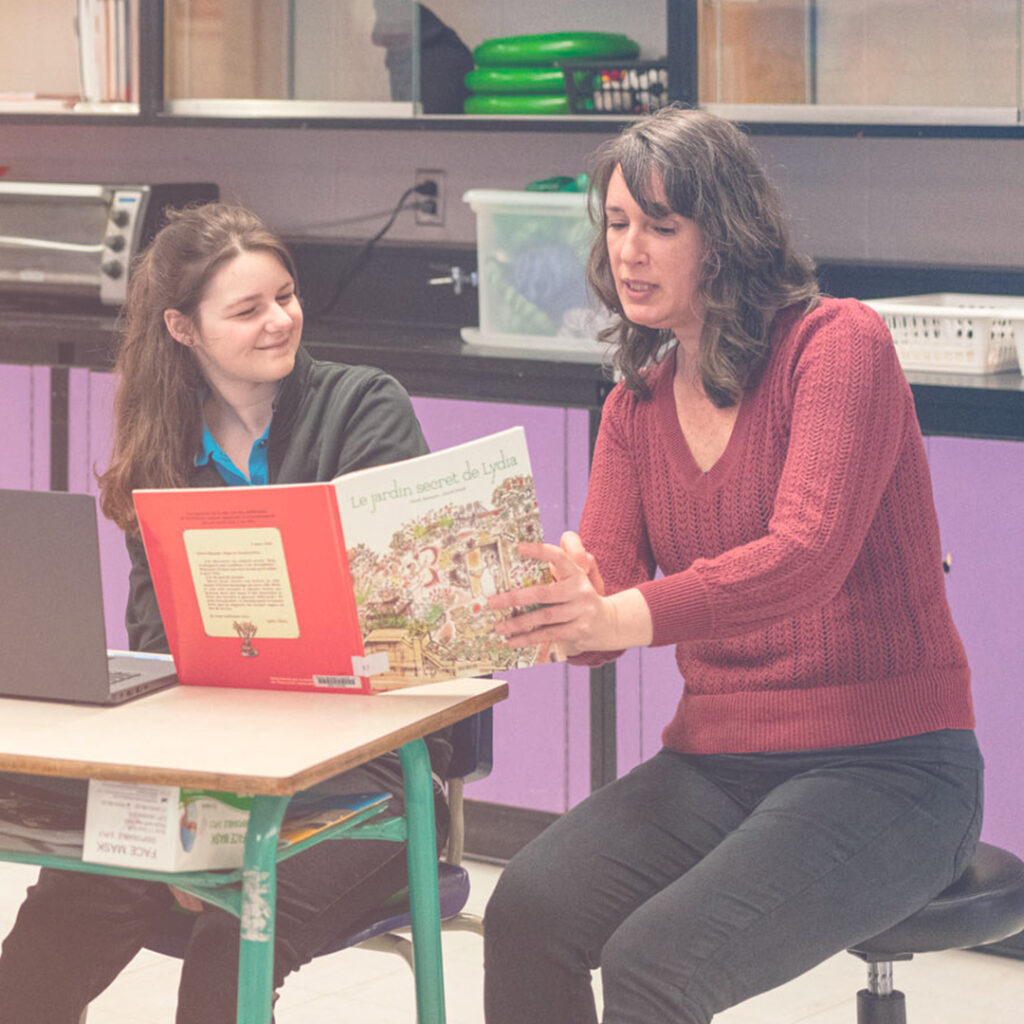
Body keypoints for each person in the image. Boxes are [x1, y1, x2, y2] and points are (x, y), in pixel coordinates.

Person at [482, 107, 982, 1024]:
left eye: (662, 226)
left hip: (894, 768)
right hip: (721, 761)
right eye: (618, 224)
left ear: (728, 237)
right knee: (524, 909)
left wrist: (617, 616)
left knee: (655, 966)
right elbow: (606, 616)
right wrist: (564, 608)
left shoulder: (837, 346)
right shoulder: (634, 407)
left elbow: (806, 559)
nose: (630, 252)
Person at [0, 203, 451, 1023]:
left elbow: (403, 613)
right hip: (207, 767)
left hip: (365, 775)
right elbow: (155, 642)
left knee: (229, 948)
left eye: (285, 296)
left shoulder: (362, 406)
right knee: (47, 943)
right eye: (247, 310)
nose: (280, 321)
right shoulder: (162, 446)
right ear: (183, 328)